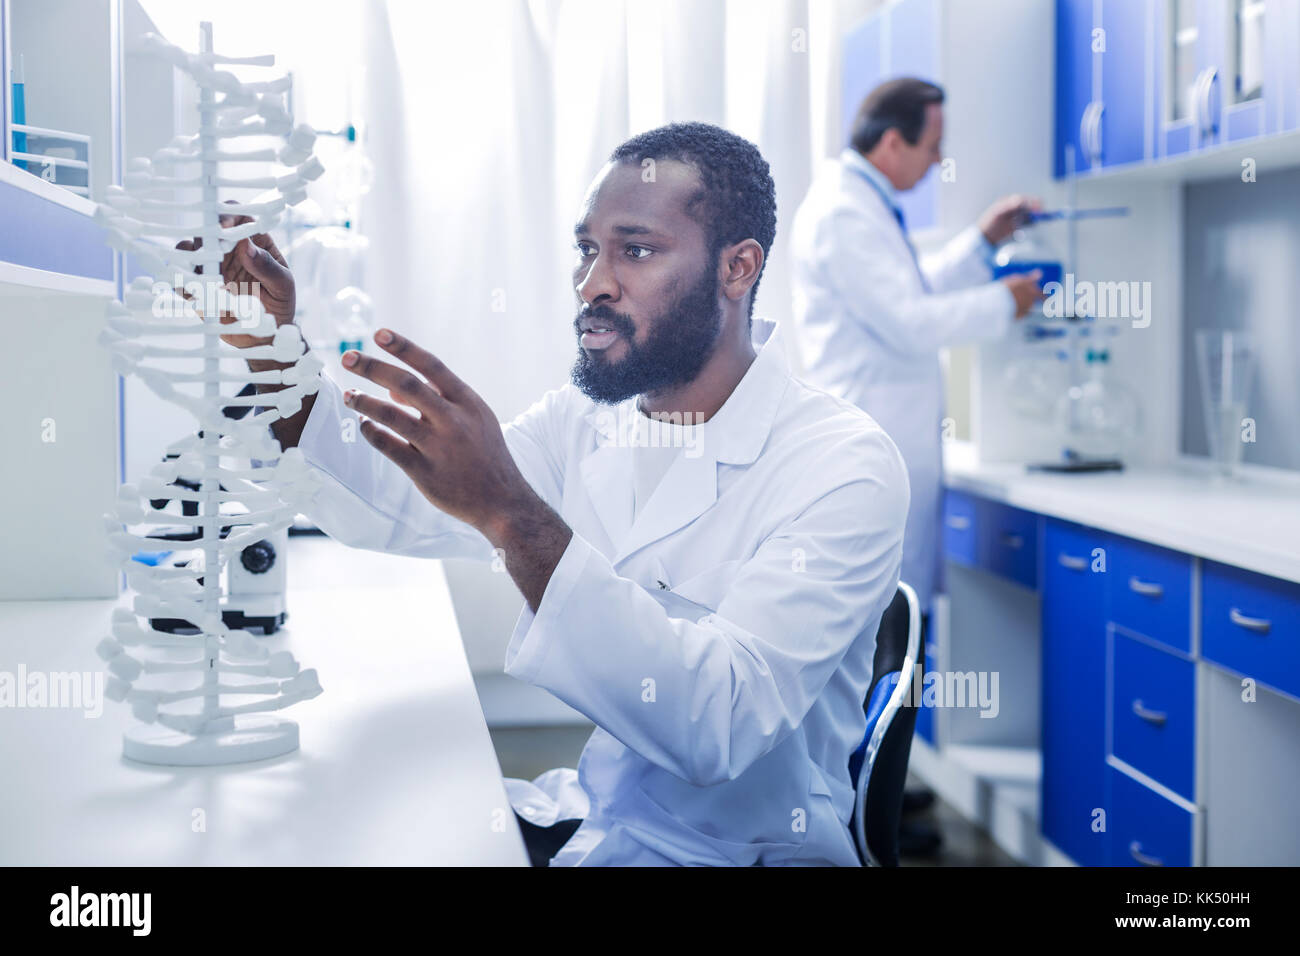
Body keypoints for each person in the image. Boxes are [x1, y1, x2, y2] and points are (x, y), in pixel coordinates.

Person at [208, 122, 910, 866]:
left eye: (635, 250)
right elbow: (401, 505)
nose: (593, 284)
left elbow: (720, 724)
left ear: (737, 269)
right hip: (612, 819)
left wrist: (511, 514)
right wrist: (273, 351)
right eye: (587, 250)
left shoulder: (843, 465)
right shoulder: (589, 421)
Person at [791, 76, 1043, 646]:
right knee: (882, 634)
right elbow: (907, 323)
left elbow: (912, 294)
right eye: (933, 146)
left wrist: (983, 242)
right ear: (892, 144)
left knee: (897, 622)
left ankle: (884, 729)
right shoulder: (843, 214)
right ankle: (879, 735)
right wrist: (1004, 302)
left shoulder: (863, 206)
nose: (939, 160)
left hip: (890, 440)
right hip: (874, 444)